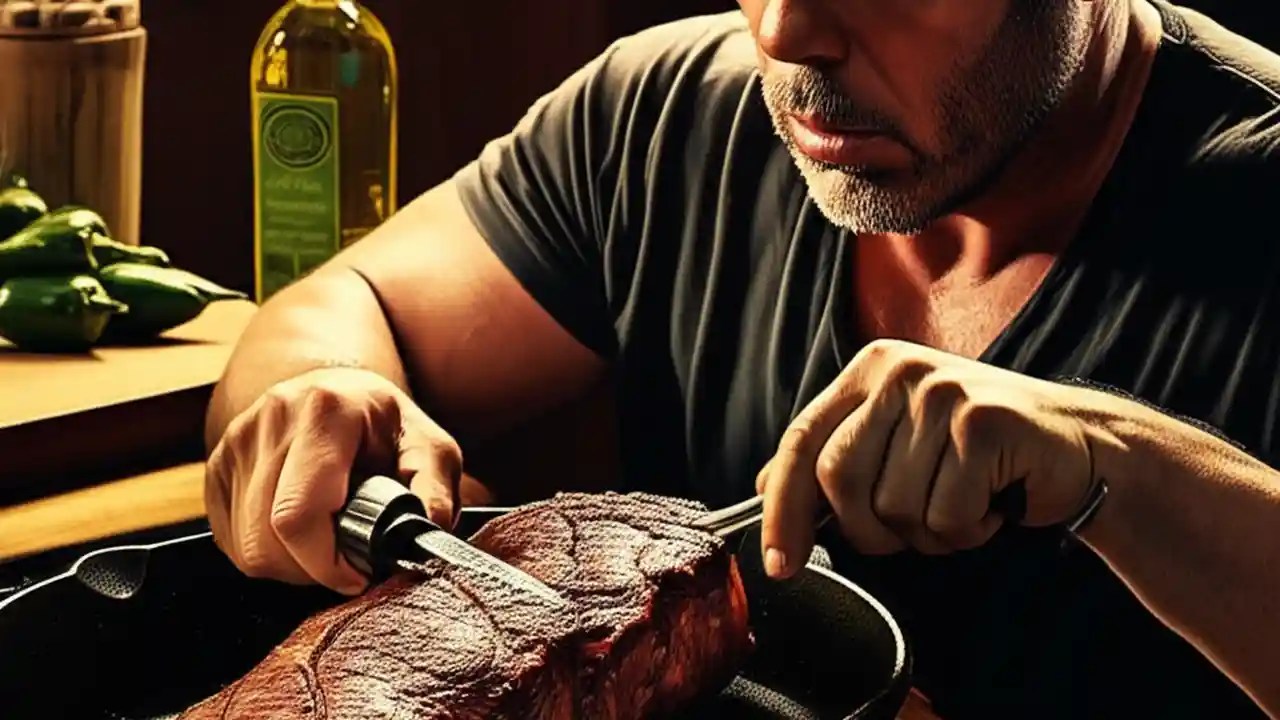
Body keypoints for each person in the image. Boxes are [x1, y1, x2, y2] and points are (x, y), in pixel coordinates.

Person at [202, 0, 1280, 717]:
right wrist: (319, 399)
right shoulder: (665, 115)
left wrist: (1113, 463)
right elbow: (343, 302)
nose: (785, 28)